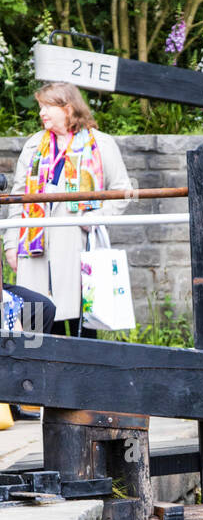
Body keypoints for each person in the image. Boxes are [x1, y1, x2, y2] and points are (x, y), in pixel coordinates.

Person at [2, 82, 132, 337]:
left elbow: (123, 191)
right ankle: (36, 375)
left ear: (68, 108)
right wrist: (10, 244)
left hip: (77, 249)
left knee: (81, 326)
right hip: (35, 251)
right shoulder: (33, 145)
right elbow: (17, 198)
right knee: (36, 326)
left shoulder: (100, 144)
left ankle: (85, 374)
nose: (41, 113)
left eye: (47, 107)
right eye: (40, 107)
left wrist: (96, 217)